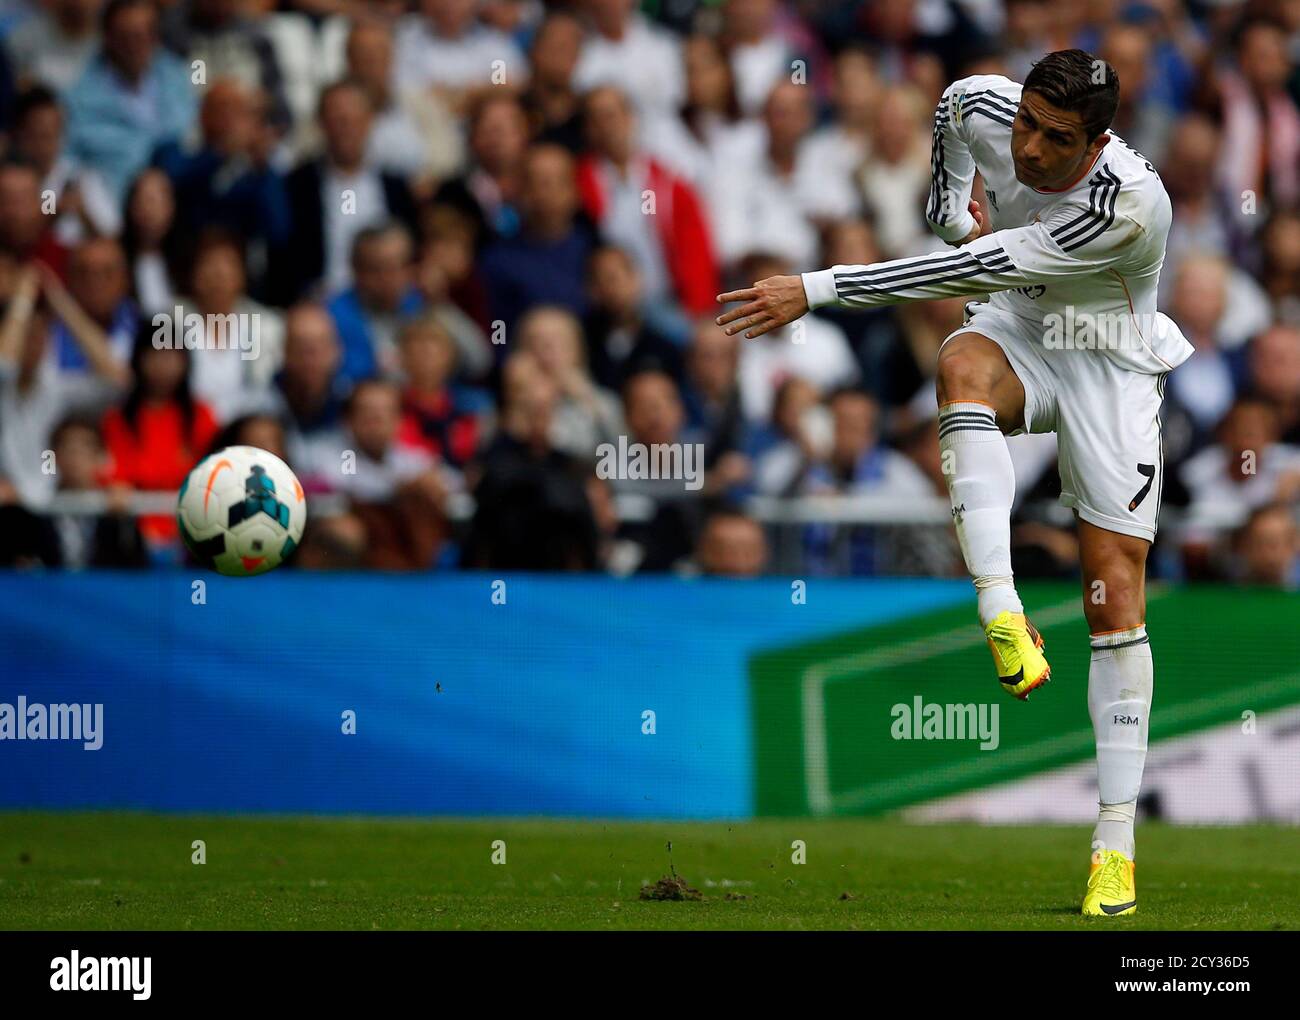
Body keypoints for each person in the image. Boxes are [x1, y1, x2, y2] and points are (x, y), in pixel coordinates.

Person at [716, 50, 1194, 918]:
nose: (1033, 150)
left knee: (1115, 601)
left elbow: (968, 272)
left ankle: (1113, 849)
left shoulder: (1126, 205)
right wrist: (945, 209)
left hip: (1108, 362)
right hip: (1019, 330)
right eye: (1028, 126)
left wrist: (814, 289)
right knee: (959, 365)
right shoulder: (982, 104)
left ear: (1098, 142)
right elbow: (951, 121)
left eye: (1058, 140)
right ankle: (1001, 610)